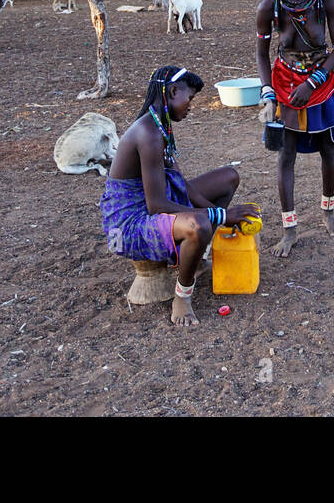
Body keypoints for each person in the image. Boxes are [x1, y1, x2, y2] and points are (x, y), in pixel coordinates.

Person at [100, 65, 259, 326]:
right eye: (191, 98)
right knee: (199, 225)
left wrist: (221, 217)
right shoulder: (148, 133)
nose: (191, 106)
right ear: (173, 91)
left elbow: (182, 185)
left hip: (154, 205)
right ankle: (182, 296)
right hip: (130, 224)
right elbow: (157, 205)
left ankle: (194, 258)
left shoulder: (160, 128)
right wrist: (220, 215)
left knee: (229, 177)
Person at [256, 0, 334, 258]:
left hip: (320, 83)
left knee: (327, 149)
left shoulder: (325, 0)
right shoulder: (270, 8)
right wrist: (268, 93)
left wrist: (312, 81)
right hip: (285, 84)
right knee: (286, 156)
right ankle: (290, 229)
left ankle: (328, 211)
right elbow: (261, 54)